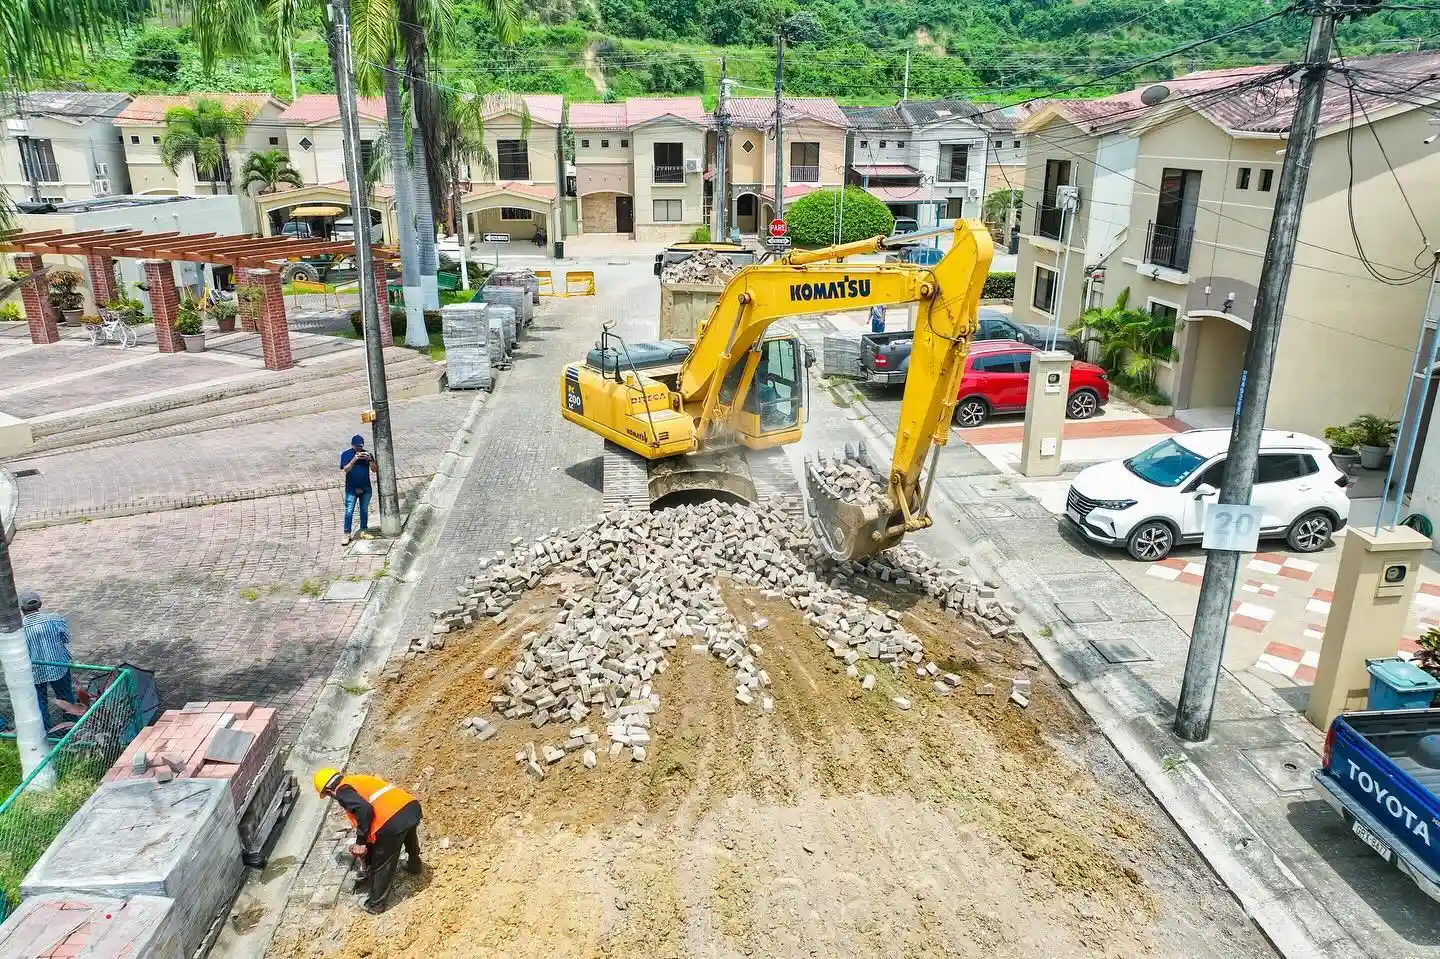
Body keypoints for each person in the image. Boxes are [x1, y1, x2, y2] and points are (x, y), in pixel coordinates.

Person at [314, 768, 423, 914]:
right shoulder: (355, 780)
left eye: (328, 795)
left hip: (393, 819)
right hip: (410, 807)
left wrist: (360, 842)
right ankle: (414, 865)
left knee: (383, 861)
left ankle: (376, 905)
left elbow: (365, 810)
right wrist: (366, 842)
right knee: (408, 836)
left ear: (328, 790)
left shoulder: (341, 791)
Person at [19, 591, 74, 728]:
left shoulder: (19, 628)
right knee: (65, 695)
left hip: (35, 671)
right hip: (58, 665)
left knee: (39, 700)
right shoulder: (54, 618)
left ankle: (44, 729)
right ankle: (70, 726)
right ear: (40, 604)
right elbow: (66, 639)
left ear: (22, 609)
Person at [339, 434, 378, 546]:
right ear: (352, 445)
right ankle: (347, 534)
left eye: (360, 446)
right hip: (351, 488)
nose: (359, 449)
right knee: (349, 510)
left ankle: (364, 530)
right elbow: (345, 469)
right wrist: (354, 460)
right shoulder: (346, 455)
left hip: (365, 488)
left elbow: (374, 470)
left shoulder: (367, 454)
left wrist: (370, 460)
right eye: (357, 447)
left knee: (364, 510)